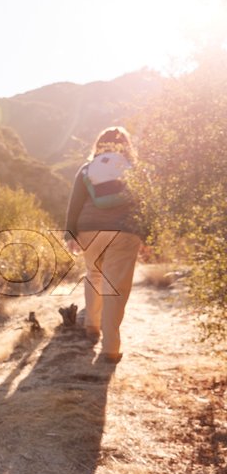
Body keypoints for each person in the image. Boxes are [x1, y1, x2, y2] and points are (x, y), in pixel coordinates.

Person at [64, 126, 144, 363]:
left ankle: (91, 325)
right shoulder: (134, 170)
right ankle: (110, 348)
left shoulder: (88, 169)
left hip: (89, 229)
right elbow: (144, 204)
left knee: (94, 275)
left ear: (99, 145)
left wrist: (70, 234)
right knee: (115, 288)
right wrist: (151, 237)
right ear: (126, 146)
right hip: (124, 232)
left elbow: (75, 201)